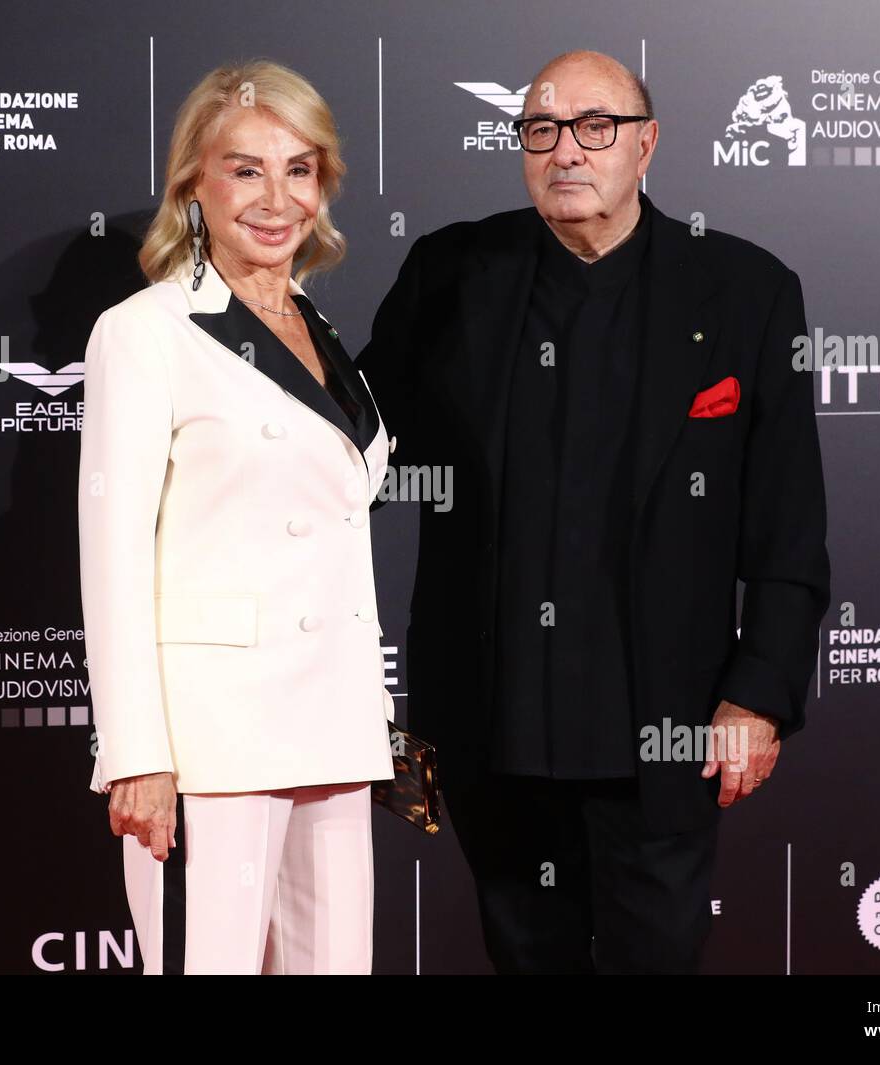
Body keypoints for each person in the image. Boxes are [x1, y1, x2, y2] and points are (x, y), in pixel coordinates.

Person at [356, 49, 831, 974]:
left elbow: (788, 518)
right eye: (542, 129)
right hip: (496, 730)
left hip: (666, 732)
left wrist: (760, 694)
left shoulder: (746, 290)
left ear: (646, 144)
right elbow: (356, 449)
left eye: (595, 127)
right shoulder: (453, 271)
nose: (566, 150)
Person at [77, 59, 396, 975]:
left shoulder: (319, 328)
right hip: (212, 744)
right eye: (244, 168)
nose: (274, 196)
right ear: (194, 185)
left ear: (323, 186)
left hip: (333, 729)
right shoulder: (145, 330)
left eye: (298, 169)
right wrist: (139, 751)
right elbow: (114, 556)